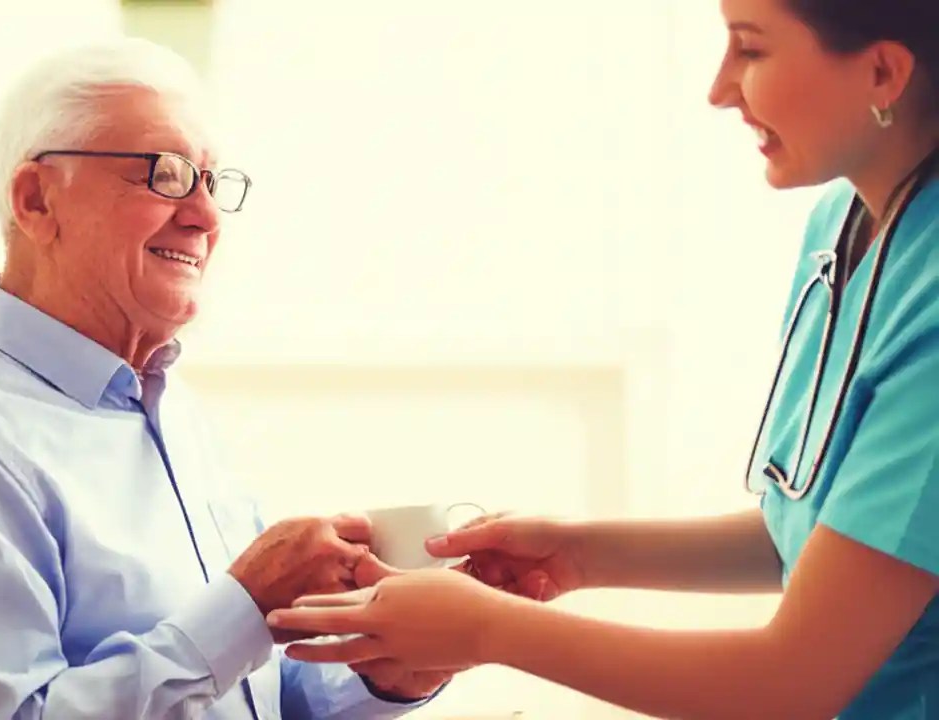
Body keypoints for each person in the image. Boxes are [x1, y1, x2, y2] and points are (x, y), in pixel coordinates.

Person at [267, 1, 939, 717]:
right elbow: (826, 537)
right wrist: (581, 553)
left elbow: (793, 681)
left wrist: (488, 629)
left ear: (882, 70)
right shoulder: (842, 226)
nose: (719, 89)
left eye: (750, 50)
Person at [0, 38, 451, 719]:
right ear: (36, 200)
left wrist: (395, 673)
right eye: (165, 173)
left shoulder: (173, 410)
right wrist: (246, 606)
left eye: (210, 180)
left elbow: (260, 698)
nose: (205, 215)